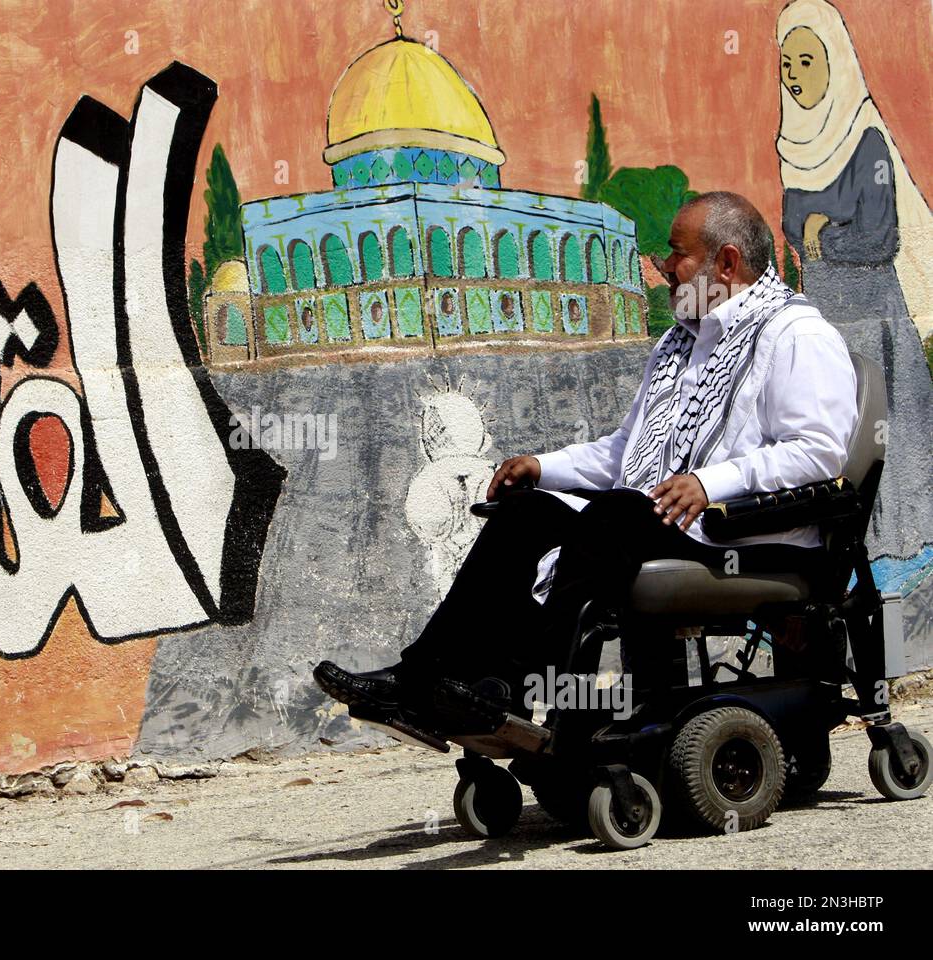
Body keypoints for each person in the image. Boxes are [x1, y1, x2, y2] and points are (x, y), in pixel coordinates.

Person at [314, 192, 859, 734]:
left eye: (677, 253)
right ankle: (419, 683)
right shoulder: (680, 343)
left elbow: (817, 451)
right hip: (663, 519)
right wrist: (542, 468)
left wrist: (708, 483)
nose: (663, 267)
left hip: (745, 533)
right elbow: (628, 452)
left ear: (727, 262)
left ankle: (517, 692)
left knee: (614, 517)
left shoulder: (795, 334)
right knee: (525, 513)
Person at [777, 0, 933, 338]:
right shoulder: (794, 145)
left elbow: (879, 238)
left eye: (806, 62)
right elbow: (792, 225)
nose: (793, 76)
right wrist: (820, 230)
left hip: (872, 315)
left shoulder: (866, 141)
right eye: (786, 63)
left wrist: (820, 229)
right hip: (821, 311)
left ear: (836, 62)